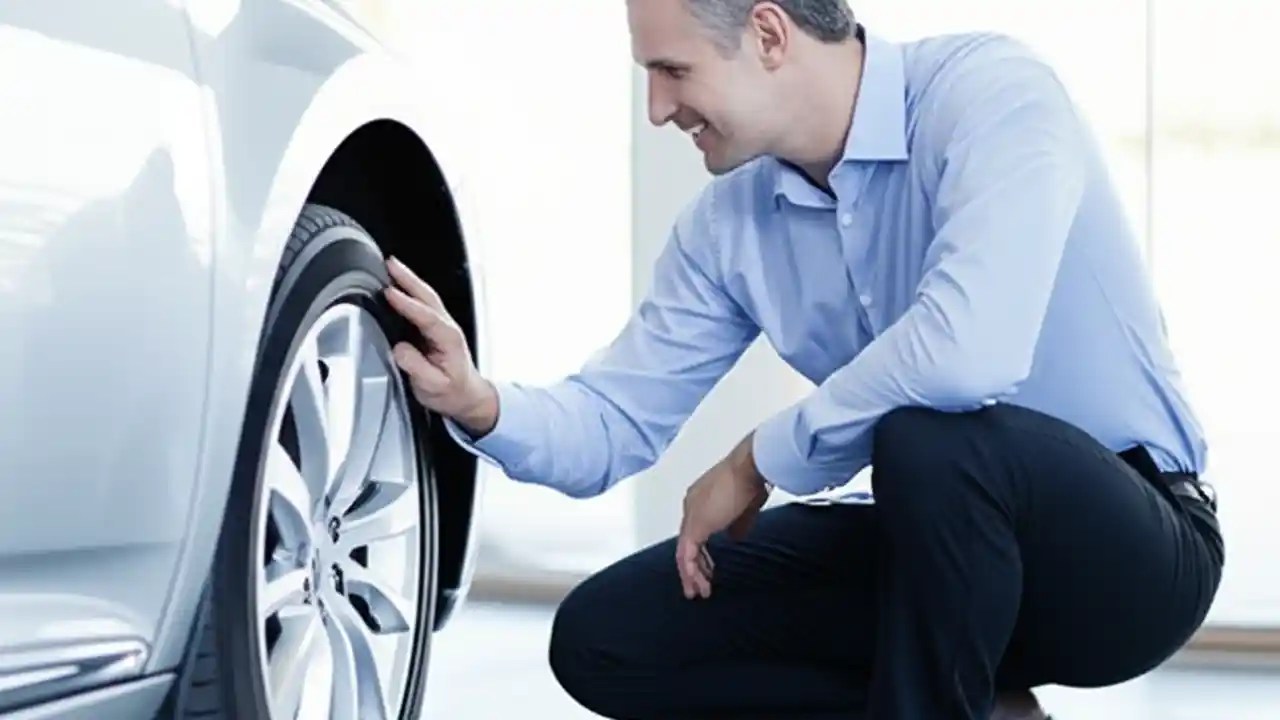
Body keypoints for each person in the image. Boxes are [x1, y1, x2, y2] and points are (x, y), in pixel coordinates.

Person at [382, 0, 1225, 717]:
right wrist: (479, 400)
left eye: (672, 71)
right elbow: (614, 422)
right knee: (609, 636)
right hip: (932, 557)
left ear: (770, 35)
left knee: (929, 439)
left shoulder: (992, 96)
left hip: (1129, 558)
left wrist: (758, 459)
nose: (657, 108)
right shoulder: (728, 225)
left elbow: (968, 352)